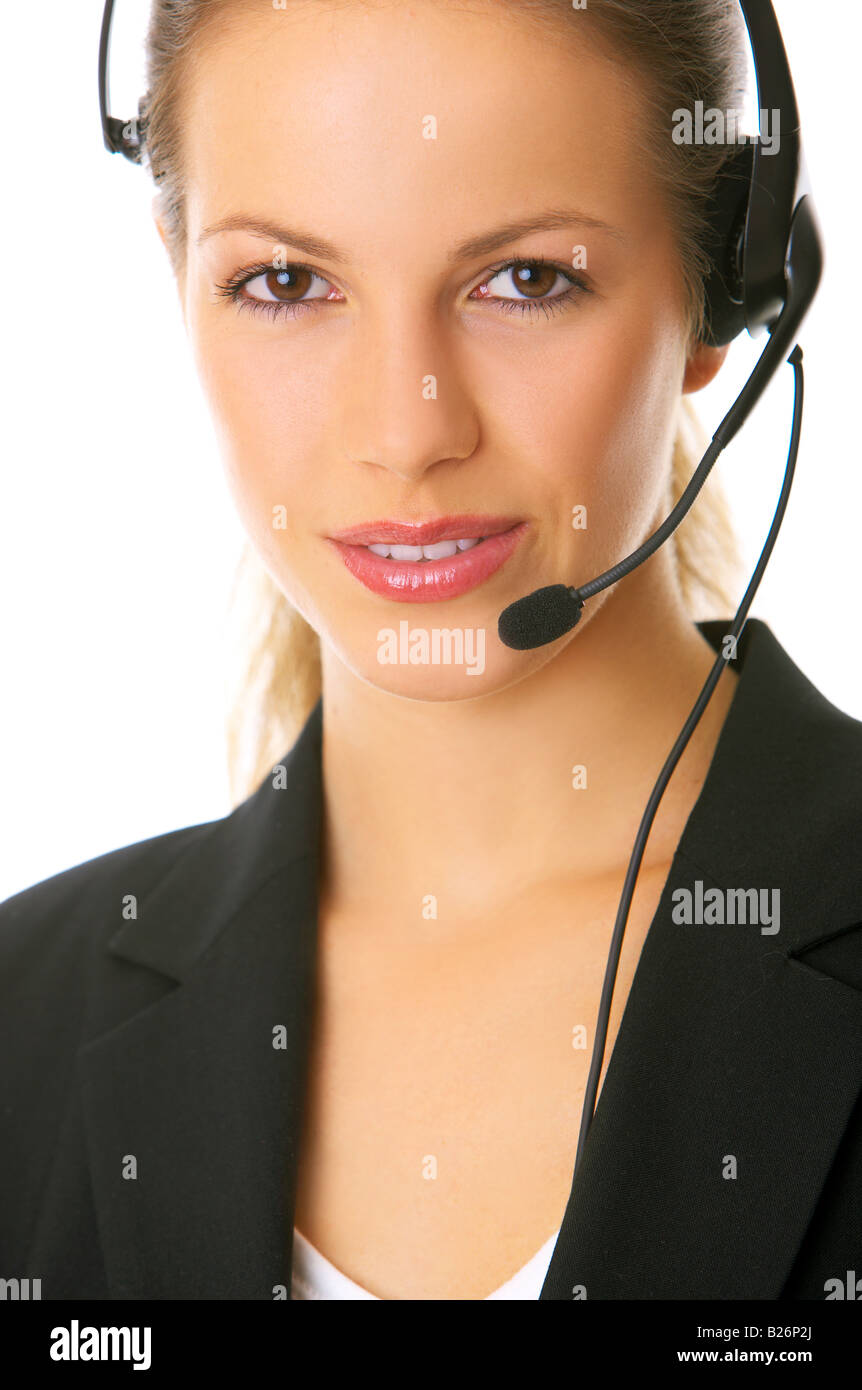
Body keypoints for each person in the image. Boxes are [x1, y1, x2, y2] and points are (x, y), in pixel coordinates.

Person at [1, 0, 860, 1302]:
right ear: (175, 273)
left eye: (527, 279)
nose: (408, 432)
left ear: (722, 292)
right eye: (285, 283)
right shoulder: (21, 1014)